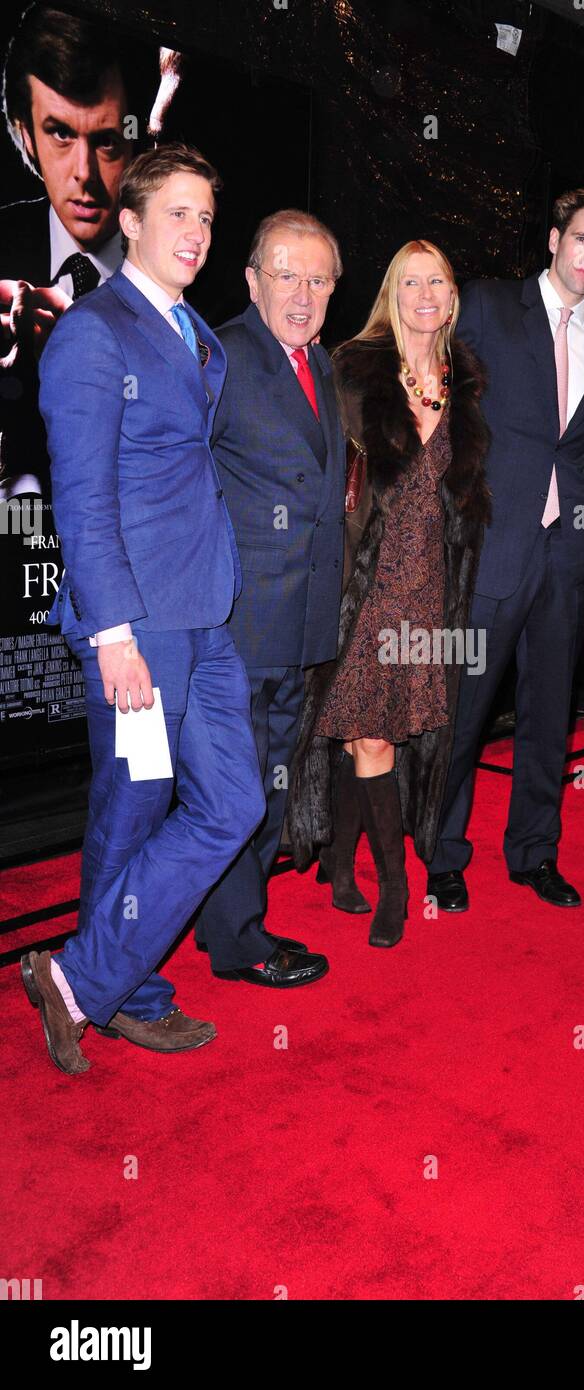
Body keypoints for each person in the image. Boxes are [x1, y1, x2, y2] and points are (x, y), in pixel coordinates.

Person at [20, 144, 265, 1074]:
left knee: (231, 802)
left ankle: (82, 980)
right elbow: (79, 498)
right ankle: (127, 991)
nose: (197, 234)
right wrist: (114, 633)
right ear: (129, 222)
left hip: (202, 614)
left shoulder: (189, 328)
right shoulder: (95, 333)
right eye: (177, 215)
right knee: (132, 810)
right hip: (140, 626)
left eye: (207, 217)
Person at [425, 188, 584, 913]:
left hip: (570, 557)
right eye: (583, 240)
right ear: (553, 239)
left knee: (551, 713)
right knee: (465, 709)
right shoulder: (484, 305)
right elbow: (437, 401)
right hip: (493, 542)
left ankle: (534, 852)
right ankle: (442, 853)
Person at [288, 240, 490, 947]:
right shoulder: (354, 369)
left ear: (452, 294)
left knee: (371, 735)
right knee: (369, 732)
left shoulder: (463, 382)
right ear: (390, 293)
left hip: (430, 590)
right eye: (411, 281)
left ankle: (343, 868)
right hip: (365, 582)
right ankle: (396, 890)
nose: (426, 293)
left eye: (438, 280)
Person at [193, 211, 346, 985]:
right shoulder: (221, 355)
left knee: (266, 780)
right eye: (286, 274)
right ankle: (237, 940)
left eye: (319, 279)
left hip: (303, 621)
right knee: (240, 788)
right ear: (252, 281)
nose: (303, 293)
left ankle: (223, 917)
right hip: (241, 622)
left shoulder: (319, 364)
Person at [0, 3, 155, 499]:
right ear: (26, 134)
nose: (84, 175)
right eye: (61, 134)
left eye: (107, 142)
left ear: (140, 141)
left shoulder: (196, 281)